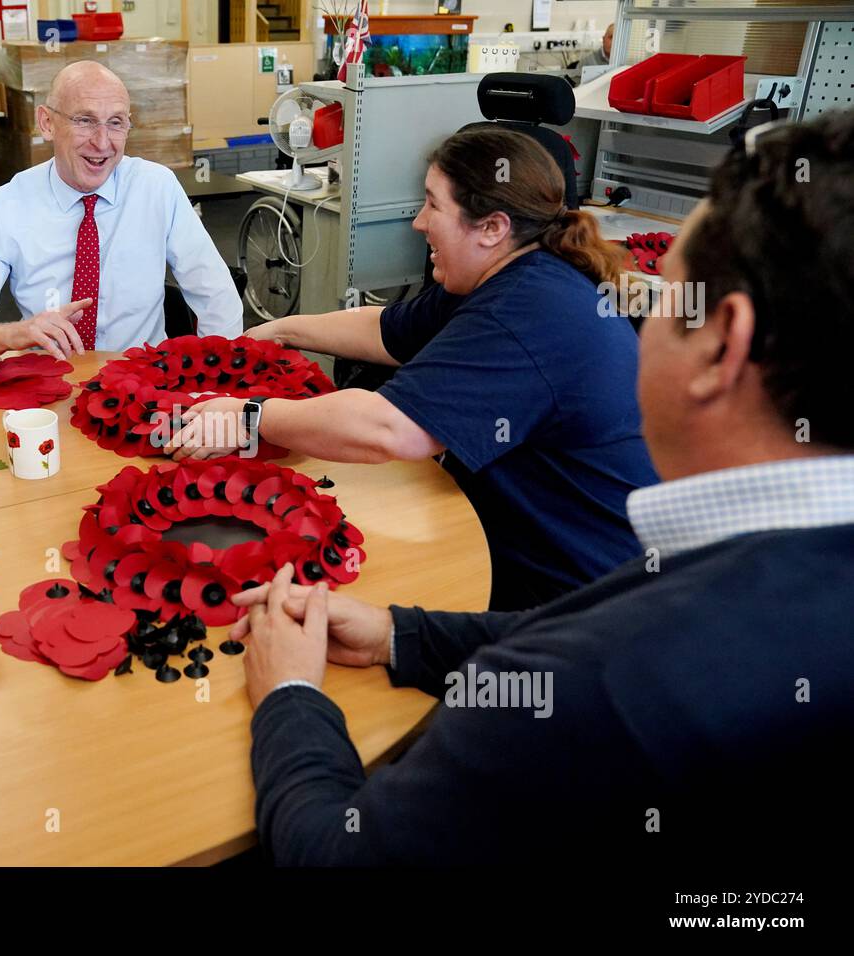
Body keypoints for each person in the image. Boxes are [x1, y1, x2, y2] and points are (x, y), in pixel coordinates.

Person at [234, 111, 854, 865]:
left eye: (661, 303)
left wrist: (288, 697)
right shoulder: (778, 580)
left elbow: (333, 855)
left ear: (724, 344)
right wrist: (403, 635)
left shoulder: (597, 685)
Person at [171, 128, 658, 610]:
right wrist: (280, 331)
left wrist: (249, 415)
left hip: (577, 597)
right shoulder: (512, 274)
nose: (418, 222)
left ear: (492, 228)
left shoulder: (523, 311)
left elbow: (389, 430)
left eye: (432, 205)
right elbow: (384, 330)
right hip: (516, 543)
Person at [0, 60, 242, 365]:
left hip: (140, 384)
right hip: (49, 384)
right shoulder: (5, 207)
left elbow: (216, 294)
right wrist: (15, 334)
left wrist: (216, 388)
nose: (102, 143)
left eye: (116, 123)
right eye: (84, 121)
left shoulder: (156, 188)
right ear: (47, 123)